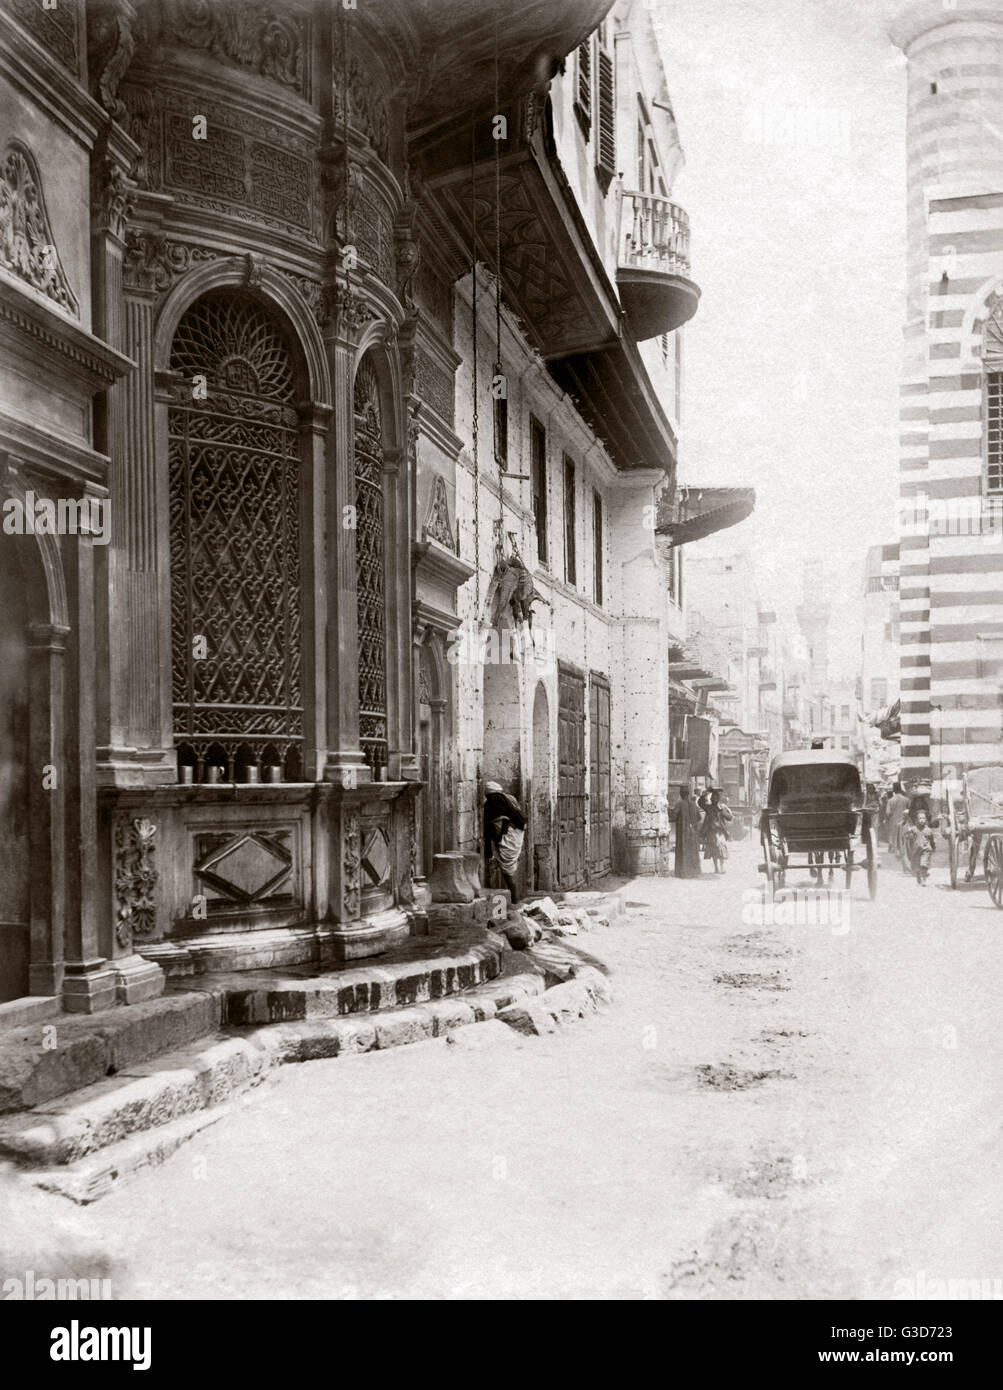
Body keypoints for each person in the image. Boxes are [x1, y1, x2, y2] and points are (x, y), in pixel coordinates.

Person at [483, 780, 526, 901]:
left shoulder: (493, 806)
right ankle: (513, 899)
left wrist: (491, 847)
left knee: (508, 873)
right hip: (514, 839)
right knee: (509, 871)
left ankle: (514, 900)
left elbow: (497, 829)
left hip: (508, 841)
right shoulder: (509, 801)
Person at [697, 787, 733, 873]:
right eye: (713, 797)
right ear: (711, 798)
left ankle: (722, 867)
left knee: (721, 849)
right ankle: (716, 867)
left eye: (716, 798)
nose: (714, 799)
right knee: (713, 850)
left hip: (719, 832)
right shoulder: (708, 807)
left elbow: (729, 818)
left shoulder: (722, 808)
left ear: (719, 799)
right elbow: (700, 803)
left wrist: (728, 811)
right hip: (710, 831)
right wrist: (704, 794)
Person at [672, 785, 703, 878]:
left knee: (683, 851)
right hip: (693, 833)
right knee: (693, 851)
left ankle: (683, 873)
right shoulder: (693, 804)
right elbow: (699, 817)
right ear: (688, 794)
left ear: (681, 793)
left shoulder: (679, 803)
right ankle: (694, 872)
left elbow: (673, 816)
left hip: (683, 833)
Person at [910, 808, 936, 886]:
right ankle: (918, 878)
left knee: (924, 864)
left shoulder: (928, 830)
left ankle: (924, 879)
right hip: (916, 850)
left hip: (926, 849)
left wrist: (933, 846)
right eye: (920, 818)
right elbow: (908, 838)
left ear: (926, 819)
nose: (922, 820)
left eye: (923, 818)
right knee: (917, 866)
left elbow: (932, 840)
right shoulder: (913, 829)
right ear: (916, 819)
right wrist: (909, 833)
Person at [885, 782, 909, 860]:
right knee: (903, 837)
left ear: (894, 790)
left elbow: (887, 813)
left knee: (894, 836)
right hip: (904, 821)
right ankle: (903, 851)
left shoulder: (890, 800)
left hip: (893, 821)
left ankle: (895, 850)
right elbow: (909, 811)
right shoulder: (906, 799)